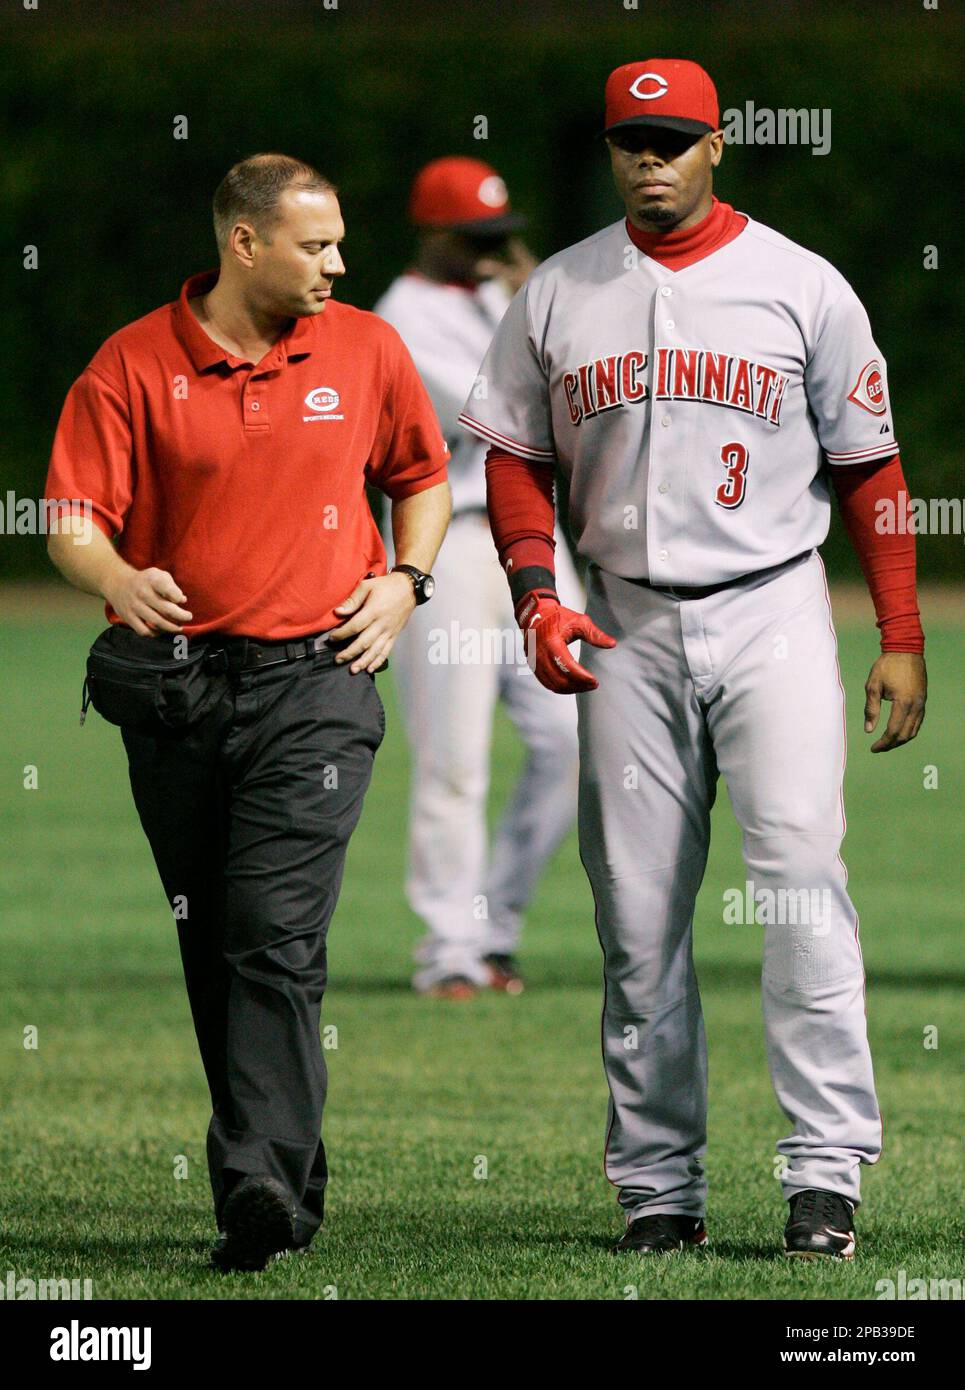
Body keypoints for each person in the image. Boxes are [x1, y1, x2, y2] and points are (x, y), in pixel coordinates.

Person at [458, 60, 927, 1259]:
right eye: (630, 140)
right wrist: (532, 592)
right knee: (636, 916)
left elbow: (868, 466)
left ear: (717, 143)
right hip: (618, 615)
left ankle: (823, 1174)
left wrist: (900, 633)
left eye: (671, 138)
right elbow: (511, 453)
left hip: (770, 610)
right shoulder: (558, 290)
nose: (649, 160)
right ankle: (657, 1187)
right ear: (611, 149)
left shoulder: (797, 285)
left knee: (798, 880)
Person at [44, 153, 451, 1271]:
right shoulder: (130, 363)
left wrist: (403, 583)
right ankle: (282, 1176)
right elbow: (70, 514)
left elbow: (421, 478)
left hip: (316, 681)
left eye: (337, 244)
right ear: (244, 243)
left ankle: (253, 1178)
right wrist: (114, 578)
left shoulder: (367, 349)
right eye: (315, 245)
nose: (338, 263)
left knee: (272, 928)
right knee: (212, 935)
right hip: (174, 691)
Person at [374, 157, 582, 998]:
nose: (493, 250)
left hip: (533, 537)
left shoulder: (503, 296)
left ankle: (494, 924)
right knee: (454, 758)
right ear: (433, 233)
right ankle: (448, 949)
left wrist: (541, 297)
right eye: (476, 238)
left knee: (574, 740)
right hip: (449, 541)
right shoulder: (399, 317)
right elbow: (498, 411)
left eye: (500, 235)